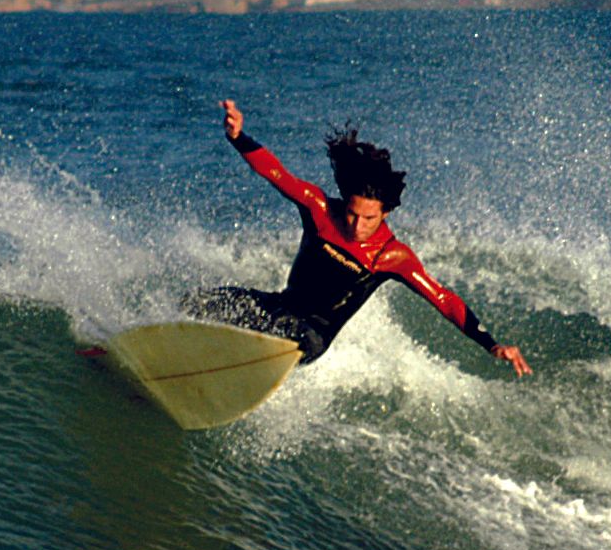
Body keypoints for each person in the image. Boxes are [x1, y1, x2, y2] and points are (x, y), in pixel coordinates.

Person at [186, 98, 532, 377]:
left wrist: (491, 344)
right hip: (280, 307)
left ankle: (236, 362)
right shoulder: (319, 208)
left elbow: (445, 301)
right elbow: (277, 174)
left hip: (311, 336)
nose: (356, 225)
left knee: (287, 330)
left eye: (368, 218)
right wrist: (238, 138)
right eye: (352, 213)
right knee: (198, 302)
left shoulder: (391, 256)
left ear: (386, 213)